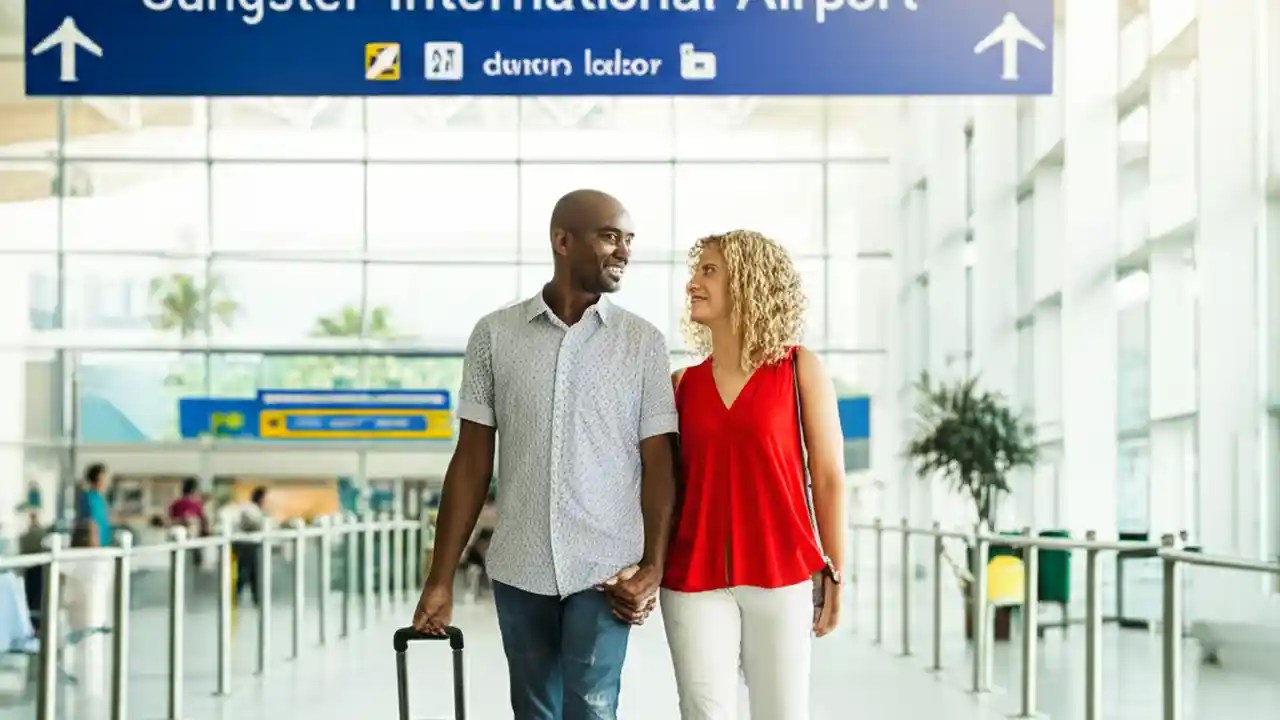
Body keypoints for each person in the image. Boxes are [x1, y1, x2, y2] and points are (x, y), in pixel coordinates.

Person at [410, 189, 679, 720]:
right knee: (533, 712)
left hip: (606, 571)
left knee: (594, 708)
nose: (623, 251)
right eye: (609, 237)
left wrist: (653, 565)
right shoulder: (494, 336)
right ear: (562, 241)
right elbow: (469, 463)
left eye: (628, 240)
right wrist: (439, 579)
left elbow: (660, 464)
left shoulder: (643, 343)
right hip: (519, 566)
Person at [660, 230, 847, 720]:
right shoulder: (682, 384)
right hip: (693, 578)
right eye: (695, 271)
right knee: (704, 713)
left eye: (709, 271)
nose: (693, 285)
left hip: (780, 572)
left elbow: (827, 477)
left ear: (746, 281)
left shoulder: (798, 368)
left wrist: (836, 571)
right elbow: (662, 488)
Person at [233, 486, 269, 607]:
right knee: (245, 571)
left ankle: (256, 598)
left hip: (253, 544)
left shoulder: (256, 510)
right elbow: (253, 524)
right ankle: (236, 595)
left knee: (254, 573)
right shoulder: (250, 510)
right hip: (246, 545)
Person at [76, 463, 113, 548]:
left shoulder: (100, 499)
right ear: (99, 479)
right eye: (104, 478)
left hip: (104, 545)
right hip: (96, 548)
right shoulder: (90, 499)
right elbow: (91, 524)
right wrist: (95, 548)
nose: (107, 482)